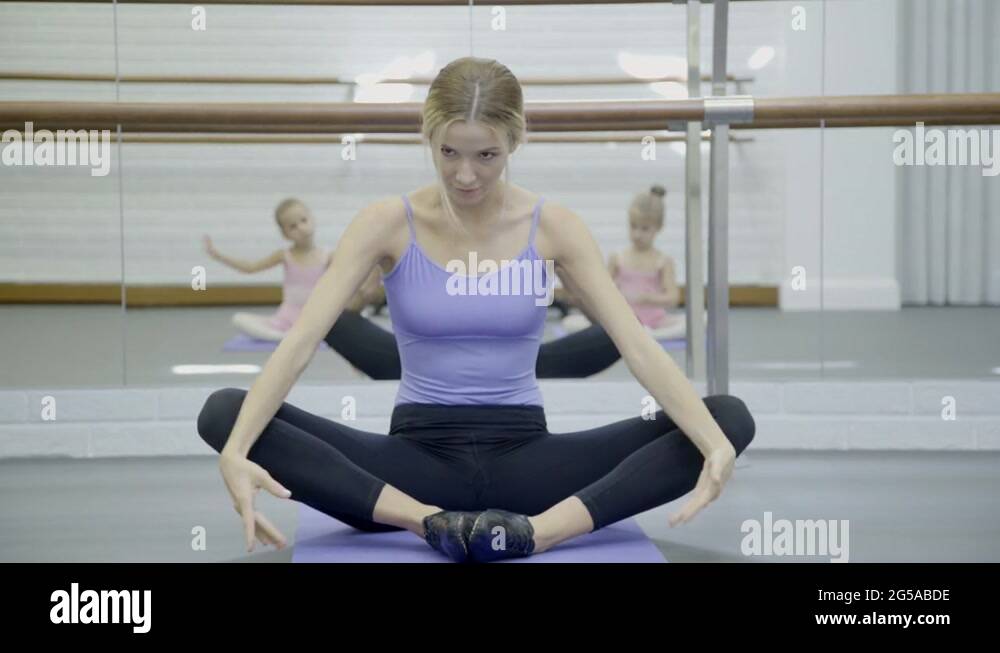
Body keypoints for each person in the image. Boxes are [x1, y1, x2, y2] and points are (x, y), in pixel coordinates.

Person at [197, 56, 755, 563]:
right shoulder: (386, 222)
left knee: (726, 421)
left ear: (516, 140)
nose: (466, 176)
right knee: (225, 414)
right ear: (428, 136)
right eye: (449, 153)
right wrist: (237, 451)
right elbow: (298, 342)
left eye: (486, 155)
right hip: (409, 466)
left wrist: (710, 444)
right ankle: (429, 523)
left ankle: (538, 534)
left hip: (530, 462)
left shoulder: (554, 225)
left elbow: (637, 344)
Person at [562, 185, 696, 340]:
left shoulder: (663, 261)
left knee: (694, 322)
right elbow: (602, 291)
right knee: (571, 323)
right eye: (633, 226)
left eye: (645, 229)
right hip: (622, 320)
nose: (637, 234)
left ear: (658, 228)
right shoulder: (618, 258)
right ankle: (633, 334)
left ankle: (644, 335)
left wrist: (647, 298)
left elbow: (672, 298)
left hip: (654, 322)